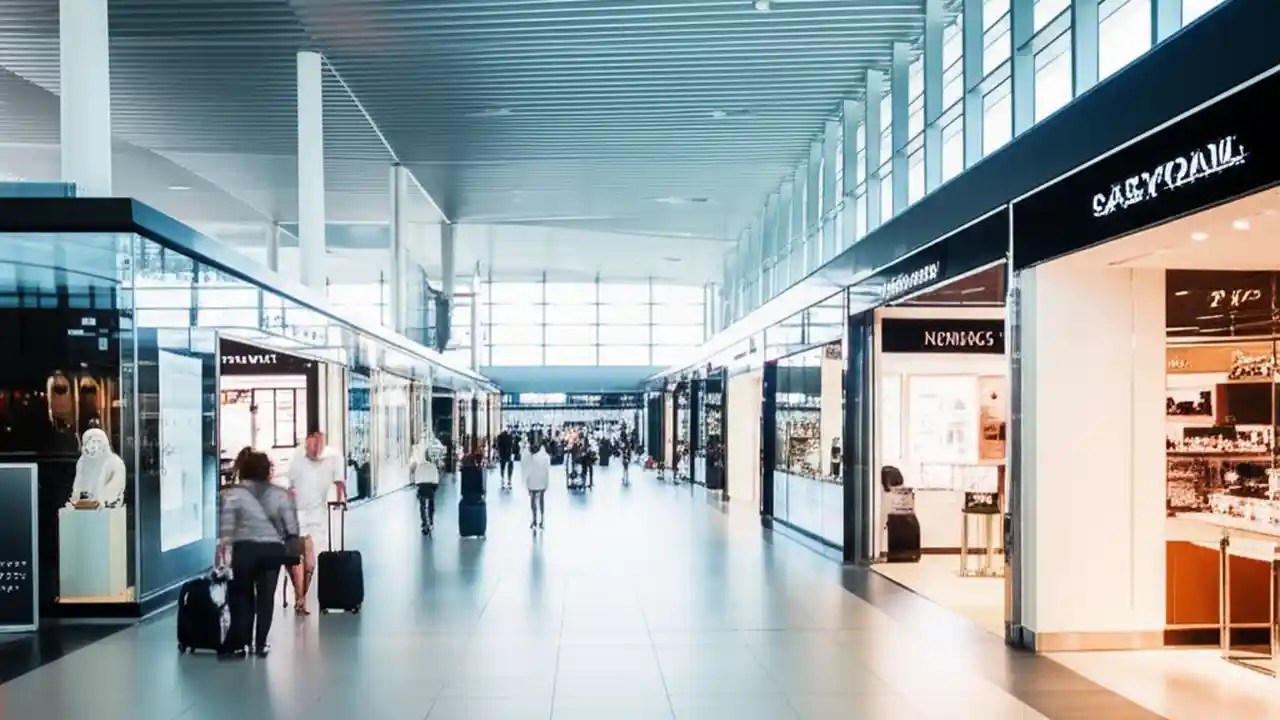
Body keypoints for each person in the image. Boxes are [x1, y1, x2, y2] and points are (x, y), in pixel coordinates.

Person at [217, 450, 299, 658]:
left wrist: (222, 553)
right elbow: (292, 528)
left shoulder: (232, 494)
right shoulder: (281, 494)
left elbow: (226, 530)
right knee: (266, 597)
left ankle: (240, 643)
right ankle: (260, 644)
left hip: (244, 551)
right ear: (266, 471)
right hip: (272, 551)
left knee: (242, 597)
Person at [286, 431, 347, 615]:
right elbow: (290, 487)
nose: (313, 449)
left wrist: (342, 500)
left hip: (316, 516)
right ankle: (300, 598)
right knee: (297, 558)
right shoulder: (297, 460)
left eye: (317, 446)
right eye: (310, 445)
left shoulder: (333, 458)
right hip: (297, 515)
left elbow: (339, 482)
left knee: (311, 562)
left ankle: (302, 596)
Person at [410, 433, 442, 535]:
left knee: (422, 505)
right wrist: (435, 487)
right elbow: (436, 479)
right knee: (431, 504)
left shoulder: (420, 466)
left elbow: (416, 479)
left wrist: (417, 485)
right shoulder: (433, 466)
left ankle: (424, 523)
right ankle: (431, 521)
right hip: (431, 486)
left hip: (422, 486)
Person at [523, 438, 551, 530]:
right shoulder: (543, 456)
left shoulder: (532, 455)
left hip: (535, 481)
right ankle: (539, 520)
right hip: (538, 481)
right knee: (539, 500)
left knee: (534, 500)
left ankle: (536, 520)